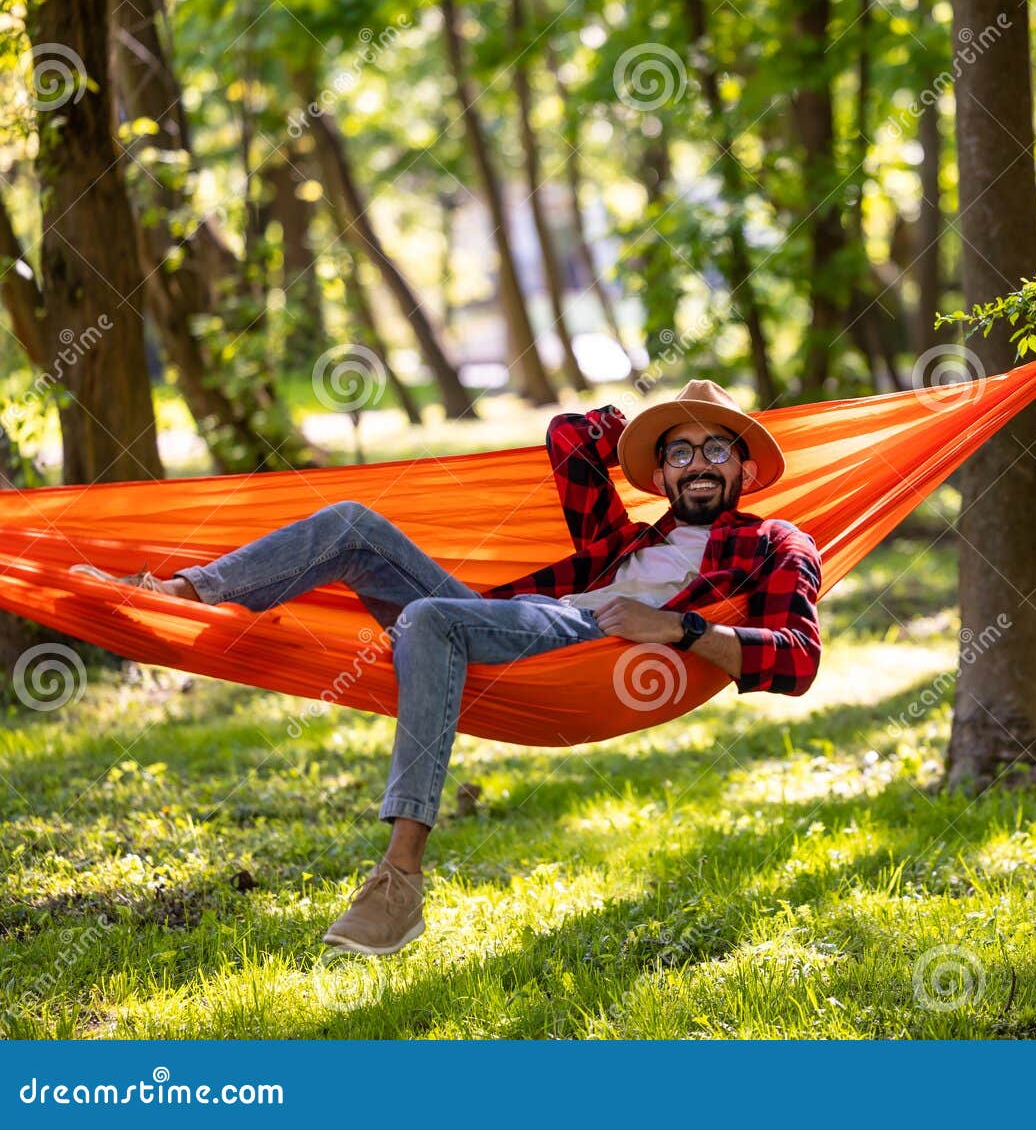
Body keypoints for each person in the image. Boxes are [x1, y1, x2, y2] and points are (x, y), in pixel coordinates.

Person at [71, 379, 823, 956]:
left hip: (579, 655)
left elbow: (798, 659)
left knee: (428, 620)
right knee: (353, 526)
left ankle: (400, 877)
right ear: (658, 475)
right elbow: (569, 438)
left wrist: (679, 628)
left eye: (716, 450)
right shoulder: (619, 541)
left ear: (747, 470)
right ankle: (183, 593)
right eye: (680, 452)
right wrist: (636, 427)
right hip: (505, 624)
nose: (697, 466)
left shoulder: (773, 546)